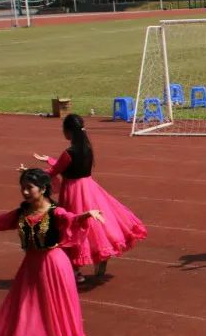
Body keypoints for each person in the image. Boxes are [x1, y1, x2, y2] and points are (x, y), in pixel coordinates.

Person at [0, 169, 104, 336]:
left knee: (55, 311)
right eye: (23, 188)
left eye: (29, 188)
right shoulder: (21, 213)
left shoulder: (56, 212)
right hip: (30, 267)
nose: (25, 192)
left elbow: (72, 219)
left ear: (44, 189)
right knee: (26, 310)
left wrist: (86, 215)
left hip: (53, 265)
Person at [31, 114, 147, 283]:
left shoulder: (69, 152)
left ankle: (76, 271)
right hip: (89, 188)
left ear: (68, 132)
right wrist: (49, 159)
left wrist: (31, 174)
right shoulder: (87, 148)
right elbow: (67, 166)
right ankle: (100, 256)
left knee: (70, 227)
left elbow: (54, 172)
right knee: (94, 225)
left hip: (73, 191)